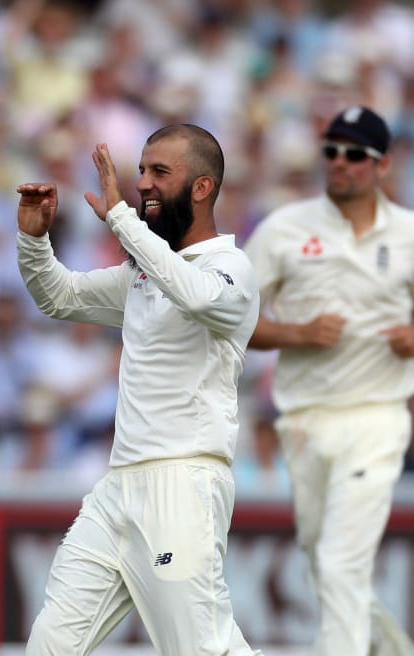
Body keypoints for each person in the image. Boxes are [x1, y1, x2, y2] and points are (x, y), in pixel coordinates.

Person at [17, 124, 262, 655]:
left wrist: (122, 221)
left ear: (202, 187)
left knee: (203, 649)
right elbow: (60, 296)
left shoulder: (231, 269)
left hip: (183, 484)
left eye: (160, 172)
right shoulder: (142, 275)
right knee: (49, 647)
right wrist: (34, 241)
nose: (144, 183)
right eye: (142, 170)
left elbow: (196, 296)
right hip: (117, 488)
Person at [244, 105, 414, 656]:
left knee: (341, 562)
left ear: (382, 164)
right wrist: (296, 332)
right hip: (304, 419)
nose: (340, 162)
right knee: (325, 561)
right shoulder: (284, 230)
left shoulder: (409, 234)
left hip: (376, 416)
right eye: (332, 151)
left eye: (355, 154)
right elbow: (230, 316)